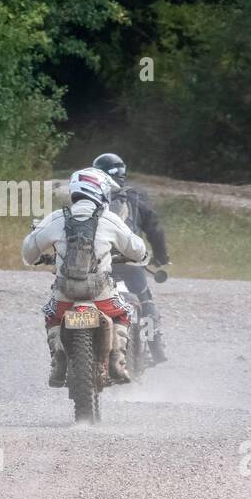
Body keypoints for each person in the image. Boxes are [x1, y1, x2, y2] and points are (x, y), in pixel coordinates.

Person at [21, 167, 149, 386]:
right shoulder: (109, 219)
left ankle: (58, 360)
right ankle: (117, 359)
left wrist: (36, 258)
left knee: (51, 314)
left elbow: (28, 250)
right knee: (125, 311)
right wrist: (140, 253)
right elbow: (137, 250)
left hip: (65, 294)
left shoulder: (57, 218)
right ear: (99, 191)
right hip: (101, 294)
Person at [92, 152, 171, 363]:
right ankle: (155, 348)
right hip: (130, 261)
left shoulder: (88, 197)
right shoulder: (135, 197)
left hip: (98, 262)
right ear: (121, 174)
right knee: (145, 299)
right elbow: (154, 229)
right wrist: (161, 257)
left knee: (84, 298)